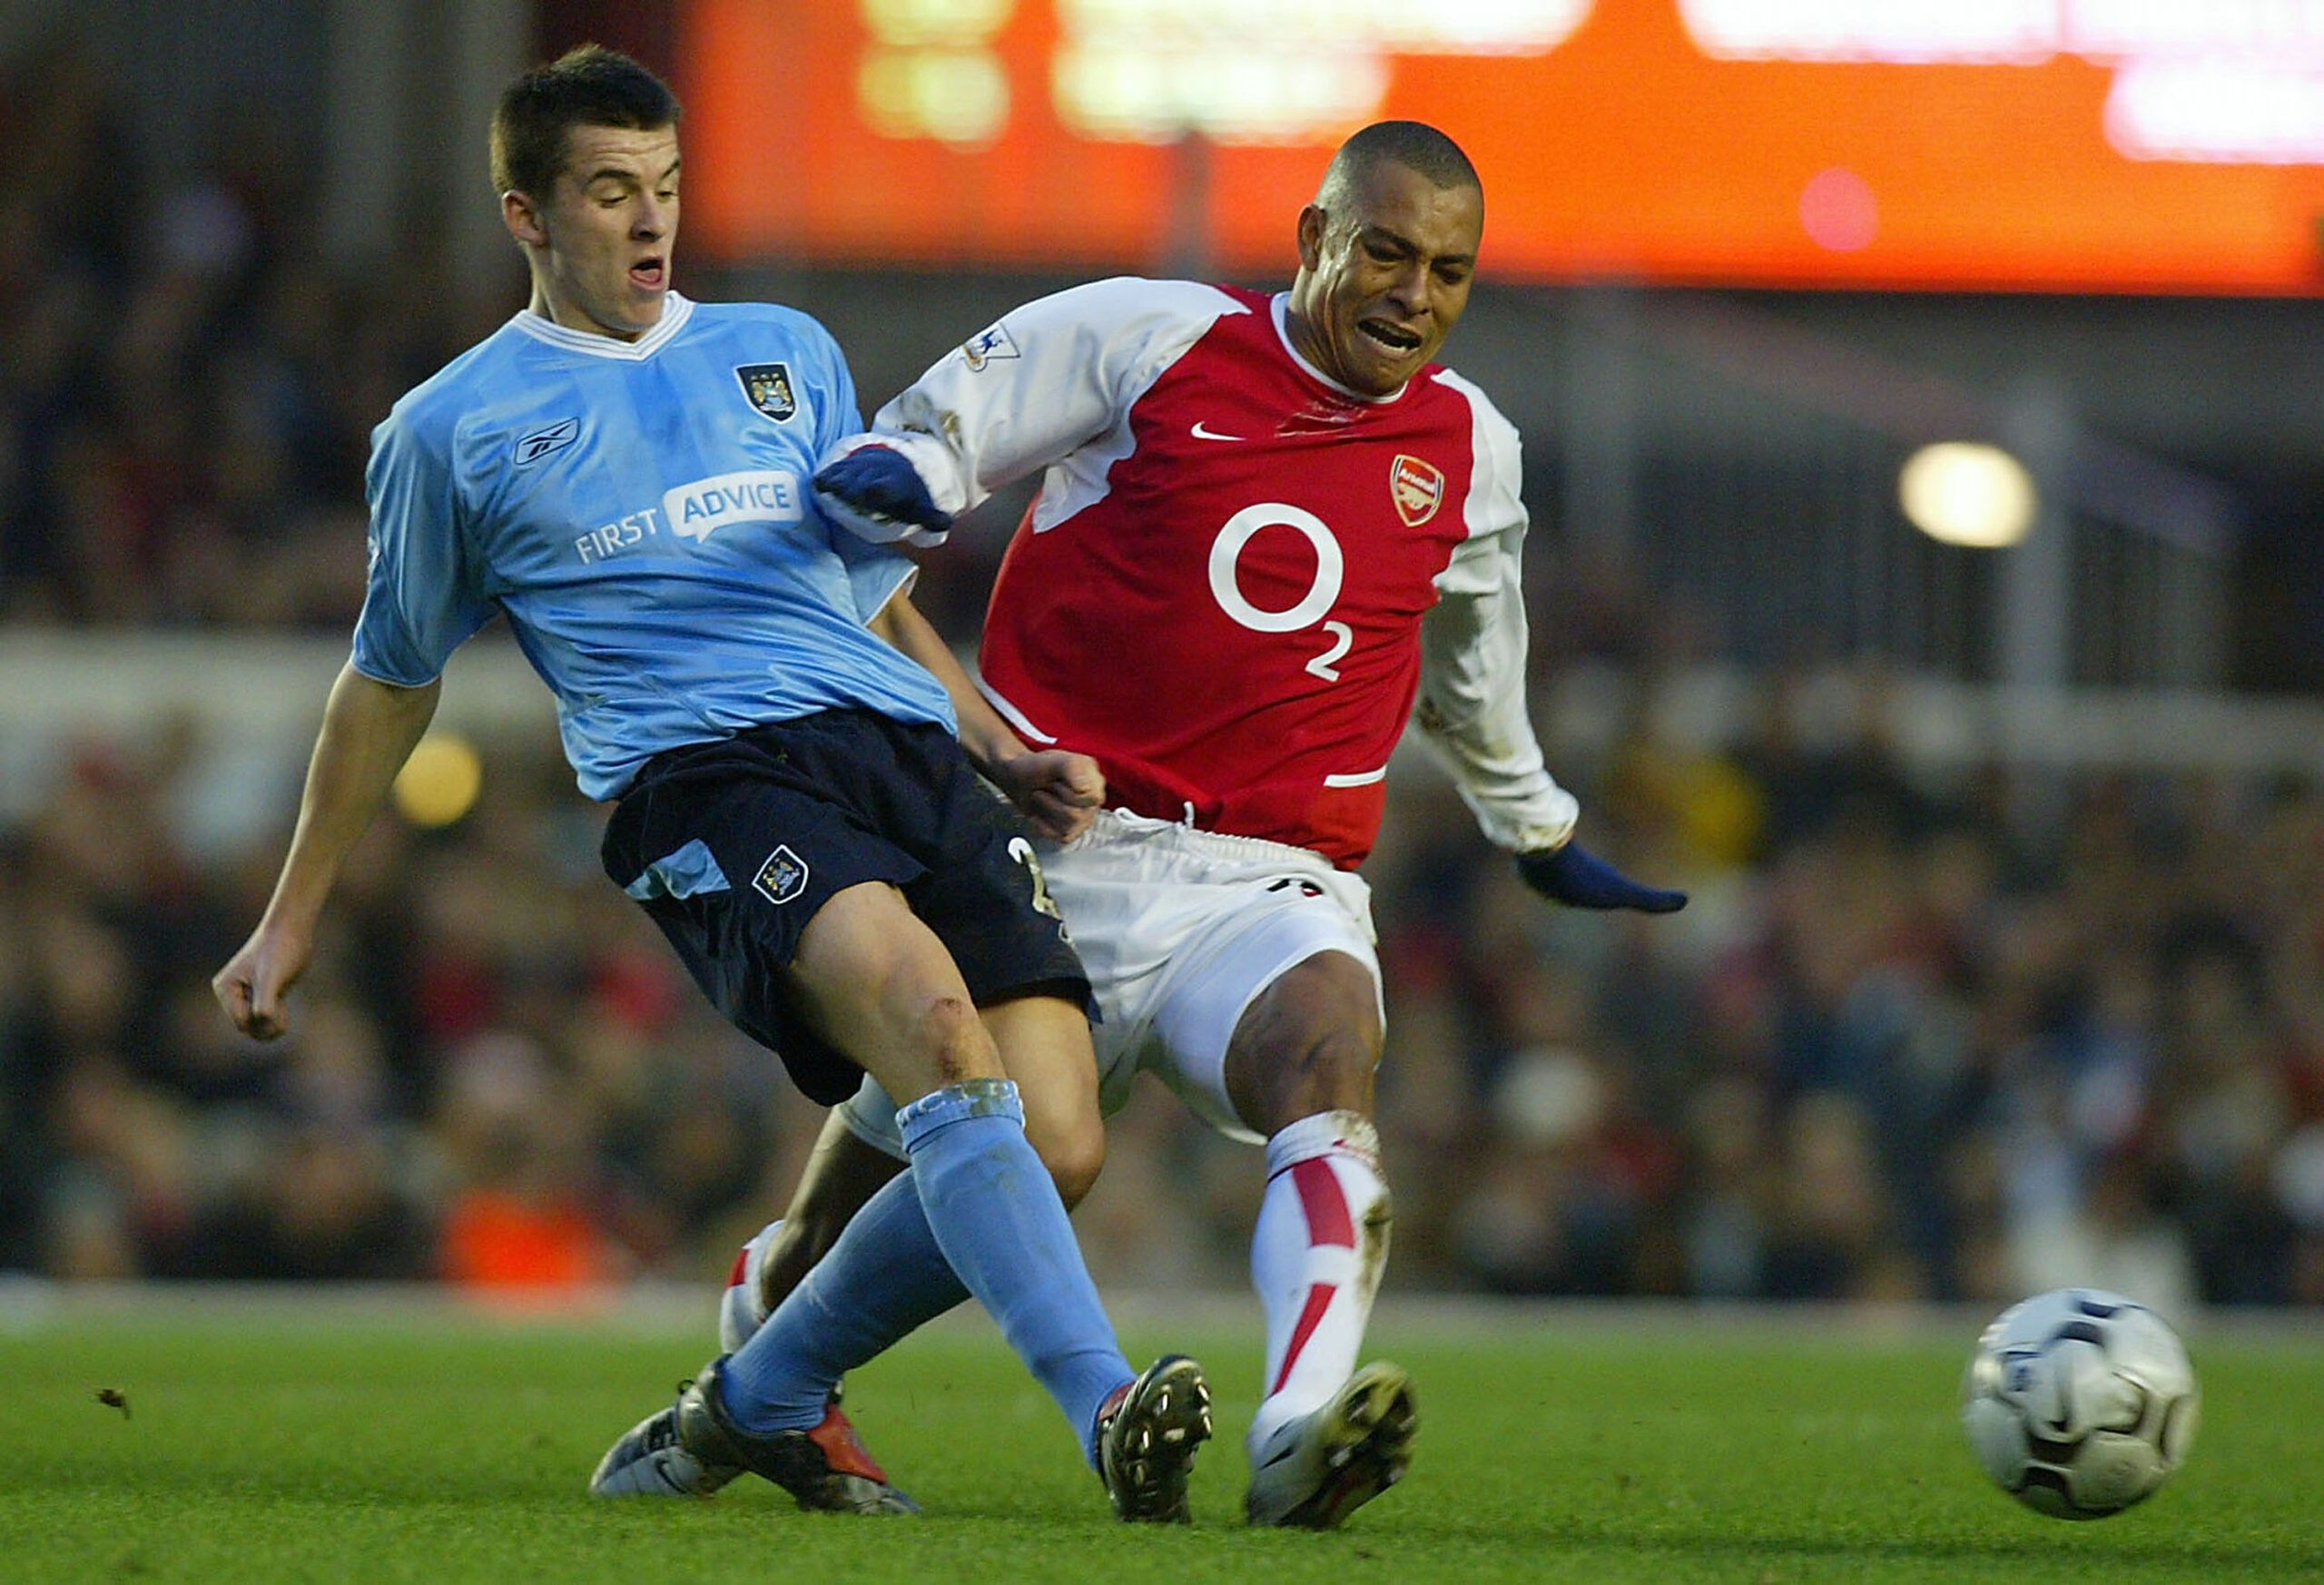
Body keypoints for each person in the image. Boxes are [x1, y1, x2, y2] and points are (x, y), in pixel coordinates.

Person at [596, 120, 1686, 1528]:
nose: (1417, 298)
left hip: (1273, 878)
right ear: (1314, 241)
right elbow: (938, 434)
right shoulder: (1151, 336)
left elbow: (1472, 659)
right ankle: (758, 1365)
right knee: (848, 1230)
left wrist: (1531, 821)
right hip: (1053, 847)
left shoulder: (1470, 447)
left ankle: (1297, 1426)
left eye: (1453, 274)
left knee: (1327, 1054)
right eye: (1390, 254)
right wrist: (910, 475)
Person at [210, 44, 1212, 1523]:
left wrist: (994, 740)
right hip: (708, 781)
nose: (650, 221)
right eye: (611, 191)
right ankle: (1108, 1406)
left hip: (897, 753)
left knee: (1056, 1138)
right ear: (526, 214)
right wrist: (290, 915)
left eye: (666, 187)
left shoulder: (786, 350)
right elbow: (390, 676)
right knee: (940, 1034)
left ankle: (752, 1399)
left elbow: (868, 585)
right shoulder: (451, 430)